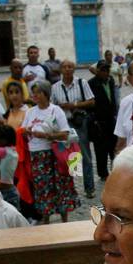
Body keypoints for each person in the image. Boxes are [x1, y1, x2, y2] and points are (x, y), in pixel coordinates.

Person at [23, 80, 76, 223]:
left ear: (46, 94)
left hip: (55, 153)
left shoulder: (55, 110)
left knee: (61, 183)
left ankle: (64, 216)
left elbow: (65, 133)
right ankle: (46, 216)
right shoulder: (30, 112)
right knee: (42, 185)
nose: (35, 95)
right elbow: (24, 131)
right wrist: (27, 132)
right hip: (37, 154)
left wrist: (46, 135)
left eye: (38, 92)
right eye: (33, 93)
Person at [51, 60, 96, 198]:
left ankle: (89, 188)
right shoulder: (55, 87)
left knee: (85, 155)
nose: (67, 69)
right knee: (71, 155)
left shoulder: (82, 83)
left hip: (80, 123)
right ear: (61, 70)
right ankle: (73, 188)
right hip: (64, 124)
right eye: (64, 67)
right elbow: (52, 106)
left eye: (70, 66)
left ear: (74, 69)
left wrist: (73, 105)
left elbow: (92, 101)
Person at [87, 59, 119, 186]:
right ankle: (103, 173)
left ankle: (115, 169)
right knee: (100, 149)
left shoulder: (110, 81)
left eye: (107, 70)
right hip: (98, 121)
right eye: (103, 70)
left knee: (114, 146)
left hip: (111, 119)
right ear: (97, 71)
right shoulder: (91, 83)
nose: (106, 72)